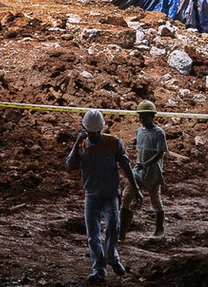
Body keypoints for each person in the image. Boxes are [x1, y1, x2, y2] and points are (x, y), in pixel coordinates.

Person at [66, 109, 142, 284]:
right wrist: (76, 143)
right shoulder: (82, 146)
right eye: (90, 132)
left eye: (96, 132)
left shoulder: (114, 143)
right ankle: (99, 269)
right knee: (92, 234)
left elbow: (125, 165)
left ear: (101, 129)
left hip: (110, 194)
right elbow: (69, 166)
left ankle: (112, 258)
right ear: (85, 130)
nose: (93, 135)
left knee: (113, 228)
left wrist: (136, 188)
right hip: (91, 195)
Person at [120, 100, 169, 242]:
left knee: (155, 200)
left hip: (152, 171)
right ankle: (121, 231)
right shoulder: (139, 131)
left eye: (145, 117)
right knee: (126, 196)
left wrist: (146, 164)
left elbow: (160, 153)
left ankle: (159, 229)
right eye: (140, 117)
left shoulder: (159, 133)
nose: (142, 120)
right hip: (138, 169)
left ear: (152, 116)